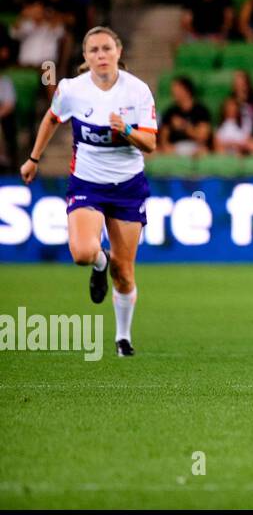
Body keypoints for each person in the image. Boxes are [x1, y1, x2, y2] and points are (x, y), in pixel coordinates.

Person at [20, 27, 156, 357]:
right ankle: (99, 263)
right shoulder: (71, 90)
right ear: (85, 57)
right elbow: (52, 119)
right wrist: (34, 158)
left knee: (124, 274)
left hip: (127, 186)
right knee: (83, 252)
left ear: (118, 52)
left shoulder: (137, 92)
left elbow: (150, 143)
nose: (101, 55)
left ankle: (123, 338)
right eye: (93, 50)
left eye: (106, 48)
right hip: (87, 183)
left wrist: (125, 130)